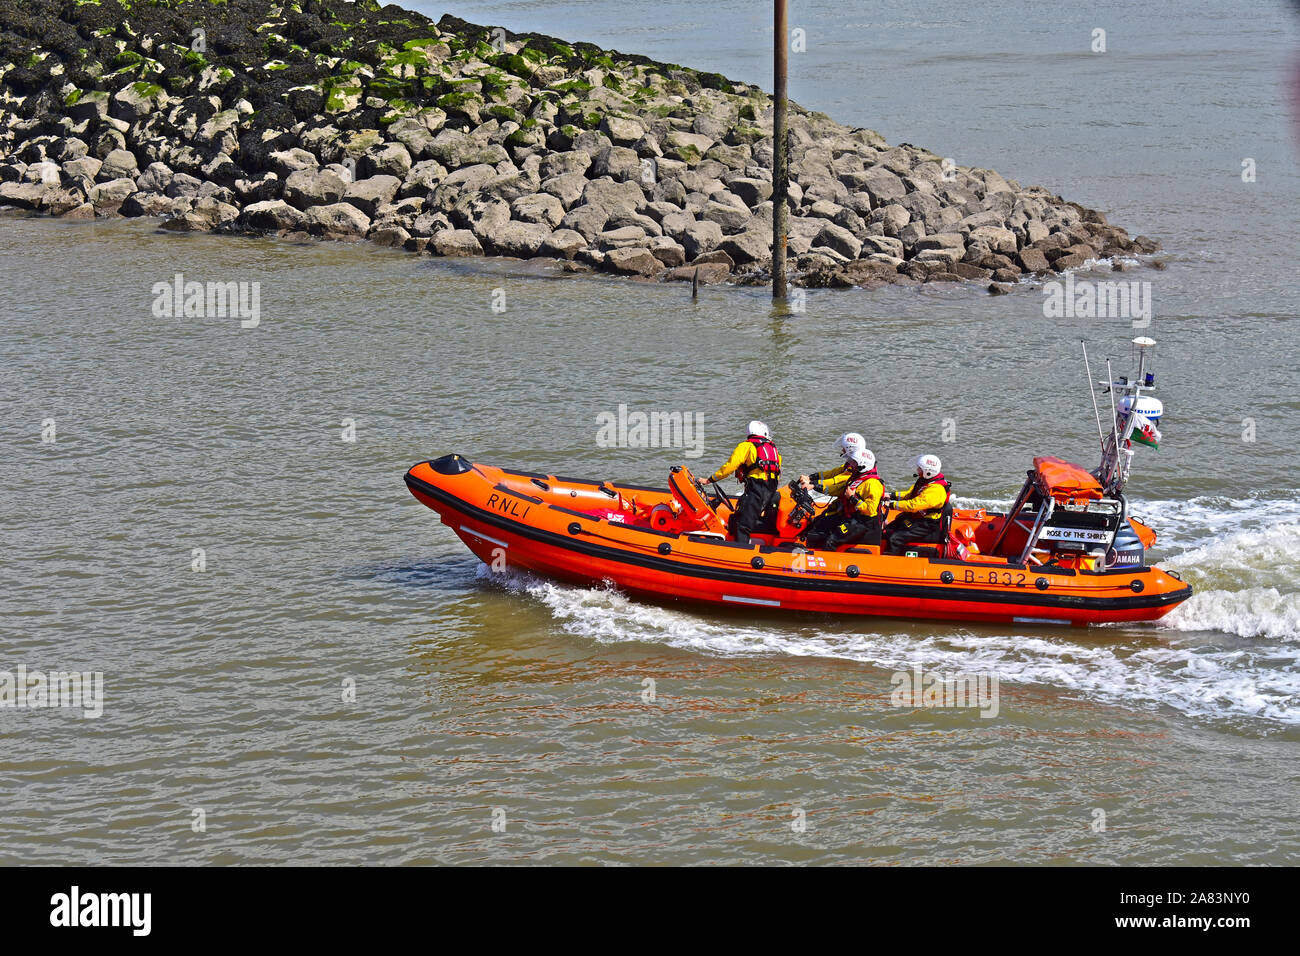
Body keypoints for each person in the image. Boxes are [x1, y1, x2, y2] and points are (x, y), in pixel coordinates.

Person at [797, 443, 886, 550]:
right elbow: (838, 489)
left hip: (863, 524)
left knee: (831, 540)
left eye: (854, 462)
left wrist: (853, 498)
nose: (851, 464)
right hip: (853, 518)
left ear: (862, 465)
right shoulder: (857, 478)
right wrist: (814, 486)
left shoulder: (873, 484)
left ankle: (826, 563)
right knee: (819, 523)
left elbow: (870, 510)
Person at [708, 420, 782, 545]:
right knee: (742, 511)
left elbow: (730, 466)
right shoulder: (773, 450)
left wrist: (710, 479)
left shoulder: (746, 446)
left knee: (743, 526)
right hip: (771, 488)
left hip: (756, 488)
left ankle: (740, 551)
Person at [883, 454, 952, 554]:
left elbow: (913, 505)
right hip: (918, 518)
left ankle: (890, 560)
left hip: (927, 524)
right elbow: (909, 494)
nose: (917, 470)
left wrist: (892, 505)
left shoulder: (936, 490)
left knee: (896, 538)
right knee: (889, 529)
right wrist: (891, 495)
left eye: (920, 469)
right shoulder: (925, 482)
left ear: (928, 471)